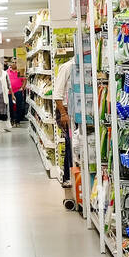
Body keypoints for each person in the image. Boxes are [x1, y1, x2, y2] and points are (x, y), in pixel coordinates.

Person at [53, 54, 76, 188]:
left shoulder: (84, 68)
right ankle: (67, 177)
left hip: (76, 111)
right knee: (69, 143)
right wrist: (63, 113)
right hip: (65, 111)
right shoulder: (67, 67)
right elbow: (57, 94)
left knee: (74, 143)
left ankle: (73, 175)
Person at [8, 60, 25, 125]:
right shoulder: (7, 72)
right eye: (13, 62)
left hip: (18, 91)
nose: (15, 63)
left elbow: (24, 80)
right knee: (10, 106)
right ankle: (12, 119)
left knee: (19, 106)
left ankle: (17, 121)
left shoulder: (20, 71)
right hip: (10, 92)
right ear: (10, 63)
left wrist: (22, 88)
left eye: (16, 62)